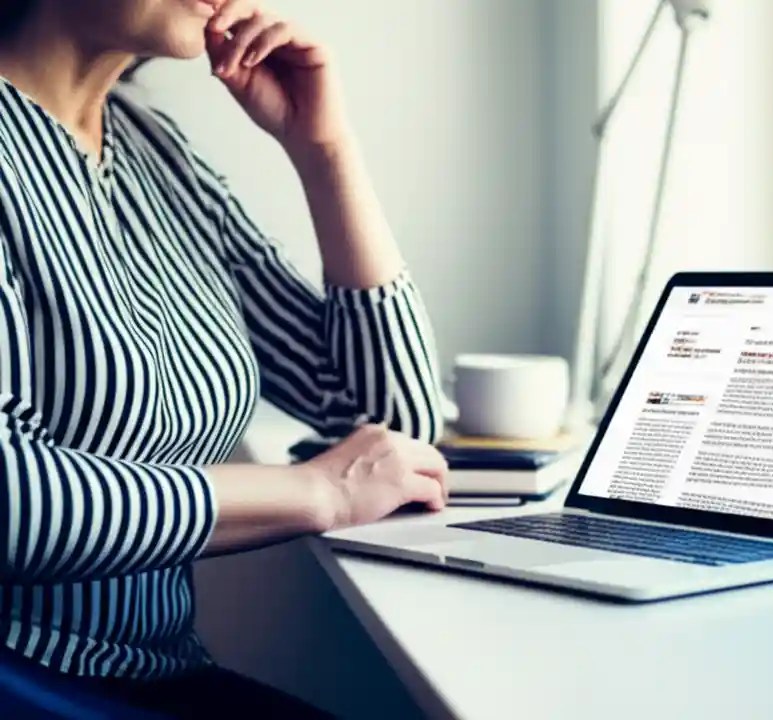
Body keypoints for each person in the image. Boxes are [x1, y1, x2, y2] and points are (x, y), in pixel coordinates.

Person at [0, 0, 451, 715]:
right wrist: (317, 491)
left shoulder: (153, 147)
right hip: (29, 679)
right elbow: (12, 497)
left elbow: (386, 422)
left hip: (160, 677)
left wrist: (324, 150)